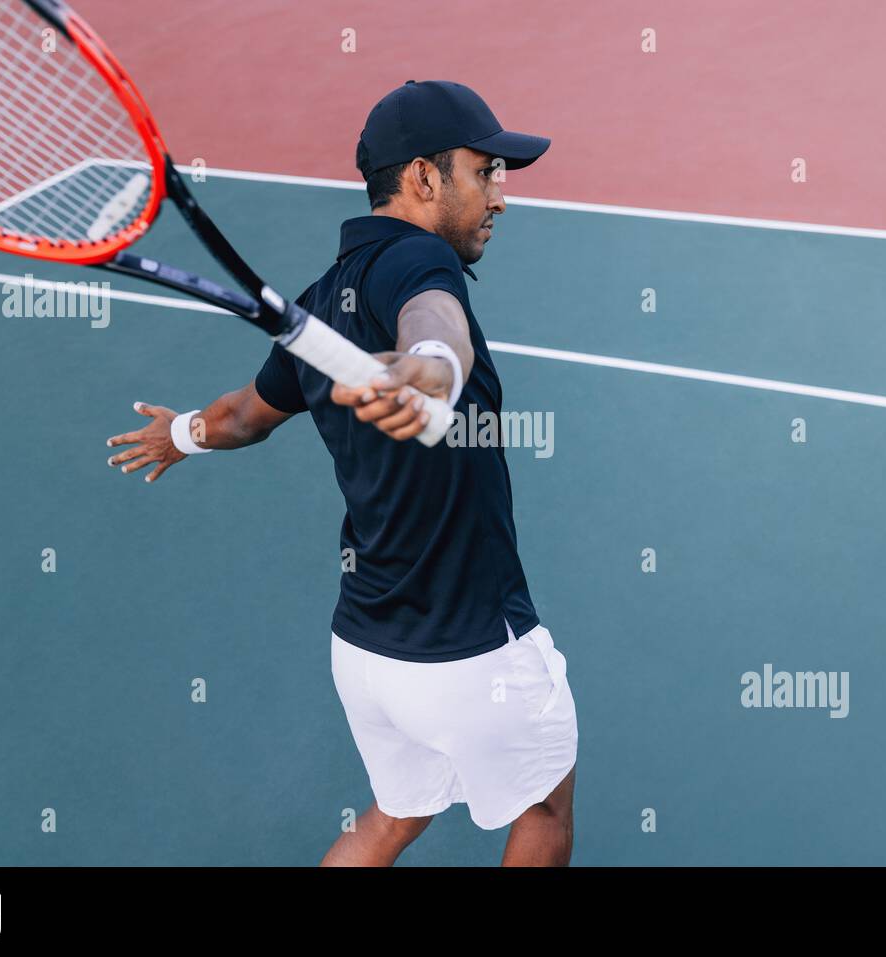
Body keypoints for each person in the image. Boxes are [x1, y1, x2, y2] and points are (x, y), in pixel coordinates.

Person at [104, 81, 576, 866]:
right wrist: (431, 367)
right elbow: (437, 321)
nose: (501, 195)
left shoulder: (323, 301)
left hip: (367, 651)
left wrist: (180, 434)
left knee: (394, 814)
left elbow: (246, 415)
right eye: (485, 171)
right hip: (470, 649)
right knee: (546, 808)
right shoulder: (422, 260)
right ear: (425, 177)